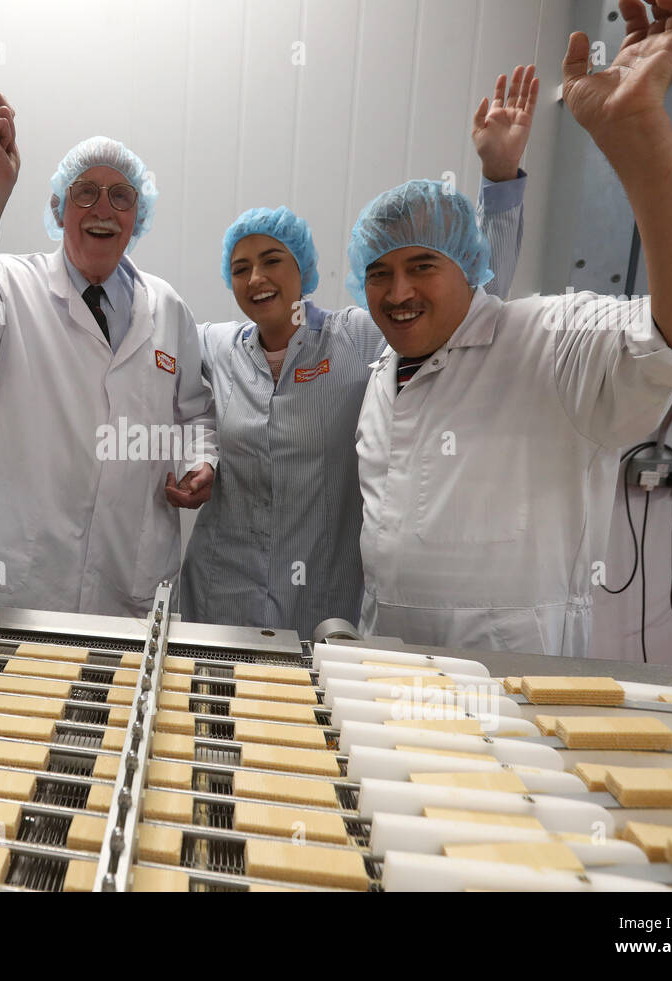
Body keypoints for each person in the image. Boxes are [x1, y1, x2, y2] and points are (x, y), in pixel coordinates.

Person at [350, 0, 672, 657]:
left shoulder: (548, 340)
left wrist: (640, 137)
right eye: (379, 273)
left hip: (511, 699)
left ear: (470, 264)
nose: (398, 292)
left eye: (422, 265)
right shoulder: (384, 374)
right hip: (385, 678)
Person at [180, 67, 538, 638]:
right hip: (223, 587)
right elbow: (187, 408)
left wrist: (500, 181)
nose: (256, 277)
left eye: (272, 260)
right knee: (218, 720)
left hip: (325, 591)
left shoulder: (357, 337)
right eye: (240, 267)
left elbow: (473, 301)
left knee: (313, 721)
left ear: (304, 271)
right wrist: (198, 460)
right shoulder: (214, 346)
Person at [0, 93, 217, 616]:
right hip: (25, 582)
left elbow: (195, 412)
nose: (103, 209)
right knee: (10, 699)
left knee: (122, 699)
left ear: (138, 214)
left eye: (121, 196)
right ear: (59, 207)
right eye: (86, 193)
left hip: (129, 581)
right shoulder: (8, 283)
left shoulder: (166, 307)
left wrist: (200, 461)